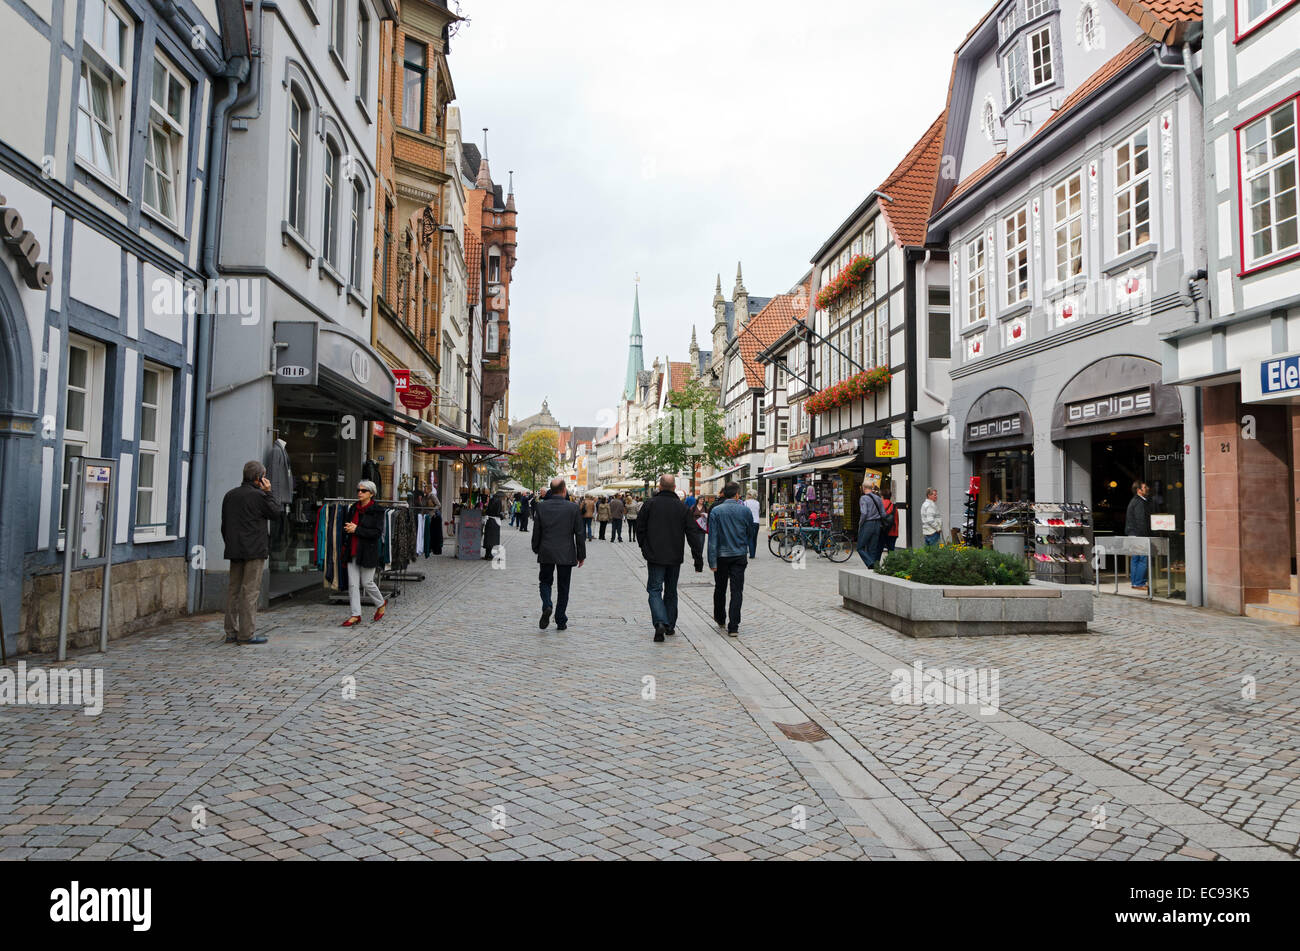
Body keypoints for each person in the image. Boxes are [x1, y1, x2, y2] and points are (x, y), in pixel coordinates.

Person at [636, 474, 705, 642]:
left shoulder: (649, 505)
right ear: (674, 488)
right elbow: (692, 534)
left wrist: (644, 548)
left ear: (659, 487)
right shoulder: (681, 508)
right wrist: (698, 559)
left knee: (654, 590)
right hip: (674, 556)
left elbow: (640, 528)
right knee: (671, 591)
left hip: (654, 555)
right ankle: (670, 625)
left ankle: (660, 621)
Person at [220, 461, 281, 644]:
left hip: (235, 548)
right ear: (259, 478)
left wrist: (230, 543)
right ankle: (246, 634)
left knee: (233, 591)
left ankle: (231, 632)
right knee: (250, 592)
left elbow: (225, 524)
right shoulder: (260, 496)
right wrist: (269, 492)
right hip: (254, 550)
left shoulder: (230, 495)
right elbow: (276, 513)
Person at [532, 476, 585, 631]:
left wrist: (536, 548)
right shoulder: (573, 508)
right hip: (566, 552)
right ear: (564, 490)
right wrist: (581, 554)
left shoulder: (541, 507)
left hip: (546, 551)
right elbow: (579, 533)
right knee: (563, 587)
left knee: (545, 581)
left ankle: (547, 604)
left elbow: (537, 531)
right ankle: (560, 619)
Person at [340, 480, 388, 627]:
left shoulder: (378, 510)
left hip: (368, 551)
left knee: (367, 582)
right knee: (353, 585)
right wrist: (348, 529)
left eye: (363, 491)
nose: (359, 493)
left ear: (371, 494)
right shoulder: (353, 508)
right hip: (352, 550)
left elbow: (377, 533)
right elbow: (348, 526)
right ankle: (355, 614)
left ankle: (381, 603)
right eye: (358, 490)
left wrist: (357, 530)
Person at [708, 483, 752, 636]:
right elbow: (750, 532)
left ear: (724, 494)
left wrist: (711, 561)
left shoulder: (716, 511)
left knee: (720, 588)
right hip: (739, 554)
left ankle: (720, 618)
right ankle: (734, 626)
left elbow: (712, 538)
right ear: (737, 495)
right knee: (737, 590)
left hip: (721, 556)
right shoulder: (745, 511)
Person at [1126, 481, 1151, 591]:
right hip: (1139, 534)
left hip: (1133, 534)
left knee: (1136, 559)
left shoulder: (1134, 501)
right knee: (1142, 559)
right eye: (1145, 487)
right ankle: (1139, 583)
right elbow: (1141, 520)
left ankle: (1135, 583)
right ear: (1139, 490)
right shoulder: (1139, 502)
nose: (1148, 488)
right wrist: (1146, 536)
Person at [857, 482, 885, 568]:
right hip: (877, 524)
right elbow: (883, 514)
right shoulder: (878, 498)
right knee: (873, 548)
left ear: (863, 487)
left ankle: (870, 564)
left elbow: (864, 513)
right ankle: (873, 568)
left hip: (868, 524)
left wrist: (860, 523)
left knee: (860, 547)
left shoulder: (863, 498)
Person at [483, 493, 504, 561]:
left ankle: (487, 554)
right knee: (494, 539)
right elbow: (498, 512)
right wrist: (502, 516)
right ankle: (491, 555)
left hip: (489, 521)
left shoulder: (491, 500)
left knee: (488, 538)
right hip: (495, 522)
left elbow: (488, 511)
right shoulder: (498, 501)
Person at [880, 488, 900, 560]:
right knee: (891, 551)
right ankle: (891, 565)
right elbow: (896, 520)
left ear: (882, 496)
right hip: (893, 532)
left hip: (882, 531)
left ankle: (875, 566)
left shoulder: (880, 505)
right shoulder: (894, 507)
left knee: (878, 550)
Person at [743, 489, 761, 558]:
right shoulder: (757, 503)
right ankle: (753, 552)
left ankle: (752, 554)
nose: (746, 495)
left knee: (749, 538)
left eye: (747, 494)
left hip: (749, 522)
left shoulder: (745, 502)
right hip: (756, 522)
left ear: (750, 495)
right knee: (754, 538)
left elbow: (744, 512)